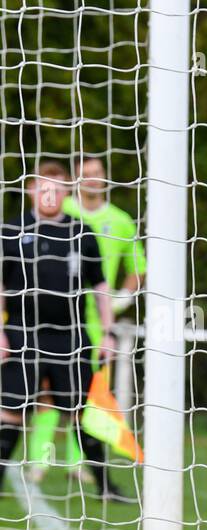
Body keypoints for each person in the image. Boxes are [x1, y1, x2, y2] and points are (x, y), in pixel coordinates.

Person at [0, 159, 130, 500]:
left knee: (80, 412)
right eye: (43, 188)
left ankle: (105, 487)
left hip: (69, 337)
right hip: (21, 335)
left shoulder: (81, 231)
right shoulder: (11, 231)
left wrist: (106, 333)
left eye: (56, 190)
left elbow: (100, 286)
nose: (49, 195)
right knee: (10, 411)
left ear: (66, 192)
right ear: (31, 190)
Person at [24, 154, 146, 482]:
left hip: (97, 320)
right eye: (85, 174)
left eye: (97, 172)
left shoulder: (120, 220)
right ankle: (40, 459)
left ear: (105, 176)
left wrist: (122, 298)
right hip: (59, 316)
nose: (92, 179)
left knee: (84, 396)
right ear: (74, 181)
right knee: (46, 391)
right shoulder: (65, 212)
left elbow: (138, 268)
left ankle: (79, 465)